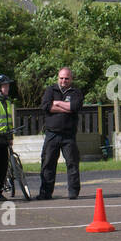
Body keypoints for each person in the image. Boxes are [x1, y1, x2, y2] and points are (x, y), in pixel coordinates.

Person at [37, 67, 82, 199]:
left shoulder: (76, 92)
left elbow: (74, 107)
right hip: (52, 134)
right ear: (58, 78)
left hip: (69, 135)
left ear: (71, 79)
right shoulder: (51, 90)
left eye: (66, 78)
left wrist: (56, 103)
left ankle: (73, 193)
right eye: (61, 78)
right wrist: (65, 107)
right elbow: (45, 106)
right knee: (48, 164)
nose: (64, 81)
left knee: (72, 164)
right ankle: (45, 193)